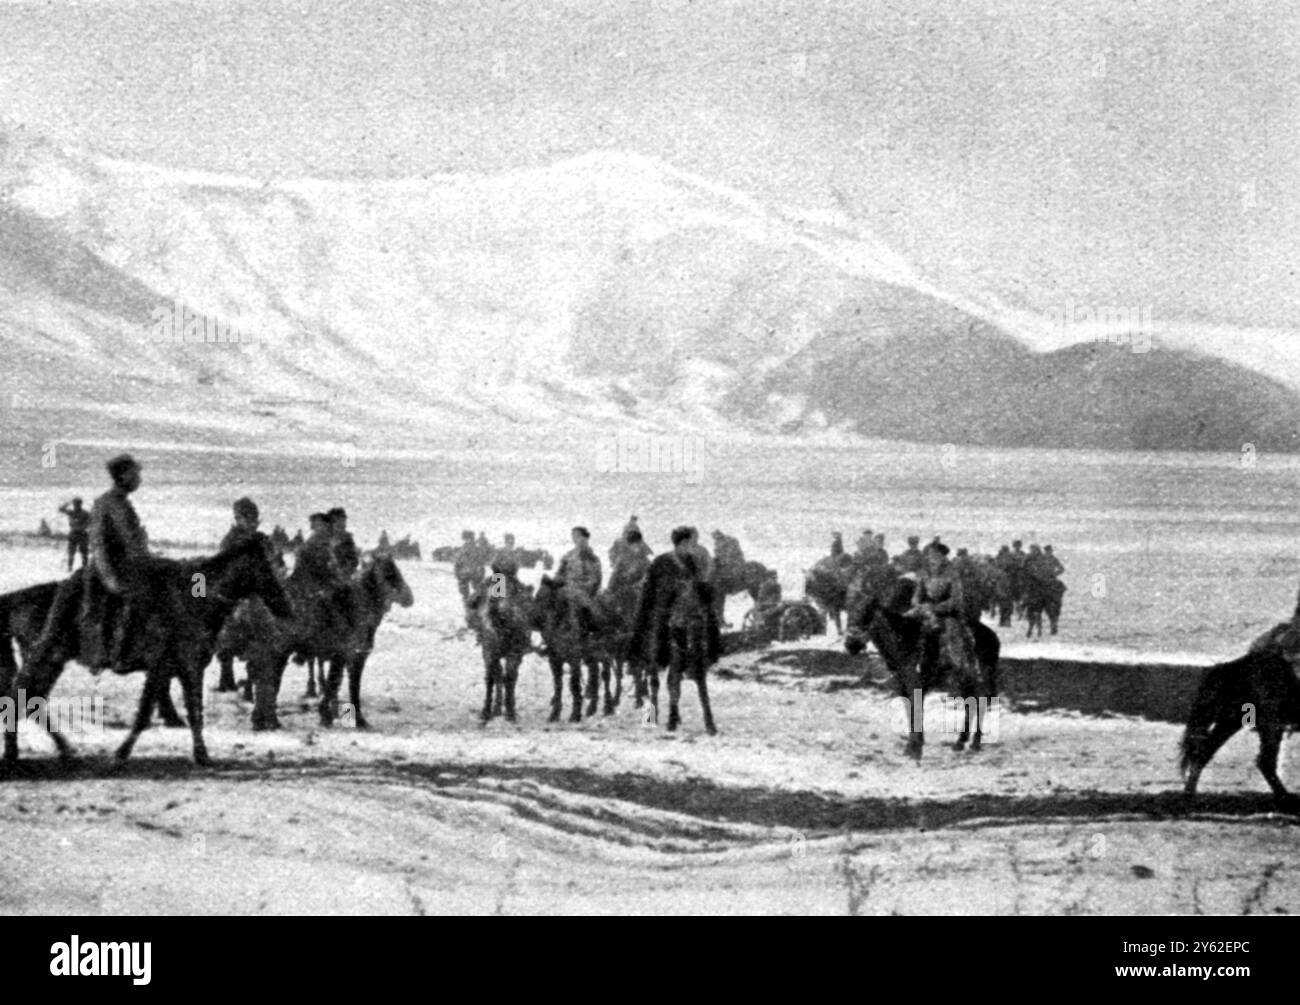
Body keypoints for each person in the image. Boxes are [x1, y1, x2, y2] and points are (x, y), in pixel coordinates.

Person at [29, 454, 153, 673]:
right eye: (135, 474)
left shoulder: (122, 502)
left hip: (128, 568)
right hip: (109, 571)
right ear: (123, 476)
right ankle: (116, 654)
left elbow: (132, 543)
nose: (139, 479)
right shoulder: (106, 503)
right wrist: (111, 579)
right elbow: (98, 544)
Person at [908, 541, 977, 684]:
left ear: (943, 556)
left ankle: (961, 669)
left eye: (935, 554)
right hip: (926, 609)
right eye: (929, 554)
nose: (932, 557)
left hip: (948, 611)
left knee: (952, 633)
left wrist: (935, 607)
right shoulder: (924, 573)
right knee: (903, 623)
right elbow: (917, 594)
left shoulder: (952, 573)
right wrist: (918, 605)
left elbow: (956, 598)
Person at [556, 526, 603, 636]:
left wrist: (582, 588)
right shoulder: (569, 555)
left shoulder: (592, 557)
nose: (576, 539)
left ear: (586, 538)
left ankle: (579, 632)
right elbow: (560, 573)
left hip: (583, 591)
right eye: (574, 536)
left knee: (578, 603)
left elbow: (596, 579)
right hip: (569, 589)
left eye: (578, 536)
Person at [58, 497, 90, 571]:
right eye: (75, 504)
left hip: (81, 534)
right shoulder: (72, 512)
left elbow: (89, 522)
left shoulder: (84, 513)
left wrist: (82, 527)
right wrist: (68, 502)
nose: (76, 505)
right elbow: (61, 509)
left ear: (80, 504)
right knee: (72, 553)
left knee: (83, 553)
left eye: (77, 504)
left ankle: (84, 567)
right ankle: (70, 567)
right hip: (75, 534)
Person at [453, 530, 484, 604]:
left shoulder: (476, 549)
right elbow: (457, 563)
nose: (468, 541)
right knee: (465, 594)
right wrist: (457, 573)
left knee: (478, 591)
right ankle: (468, 605)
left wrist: (481, 573)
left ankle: (475, 604)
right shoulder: (462, 550)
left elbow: (481, 563)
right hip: (464, 575)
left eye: (470, 539)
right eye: (467, 539)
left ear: (472, 539)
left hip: (475, 574)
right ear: (464, 539)